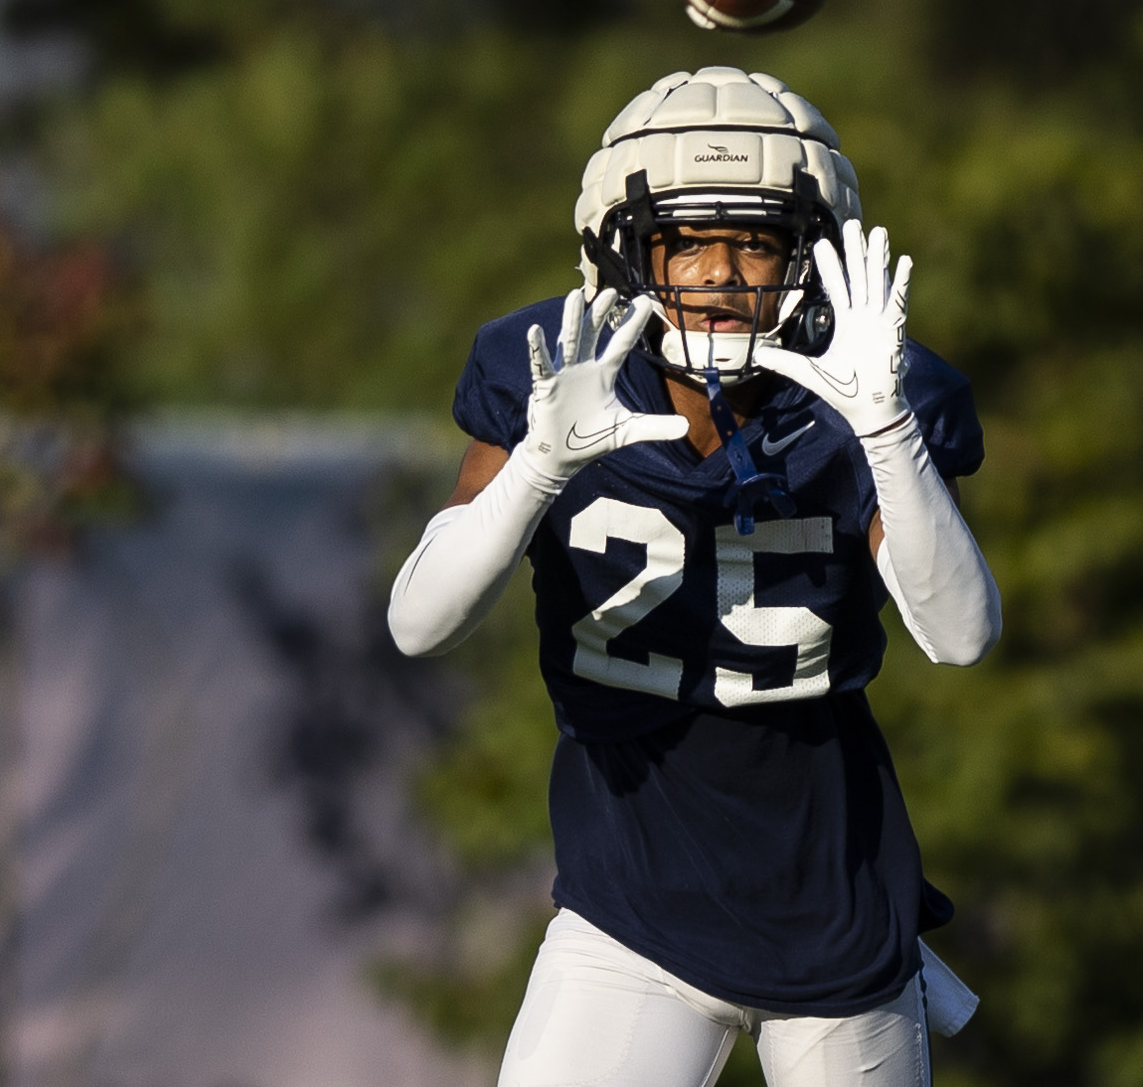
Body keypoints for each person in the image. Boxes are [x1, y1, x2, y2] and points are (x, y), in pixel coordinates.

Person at [387, 66, 1001, 1086]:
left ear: (807, 251)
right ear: (622, 249)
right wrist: (538, 463)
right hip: (627, 911)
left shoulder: (868, 397)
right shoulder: (551, 374)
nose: (718, 272)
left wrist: (885, 426)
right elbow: (418, 623)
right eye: (685, 240)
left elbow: (962, 634)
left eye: (754, 239)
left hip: (834, 916)